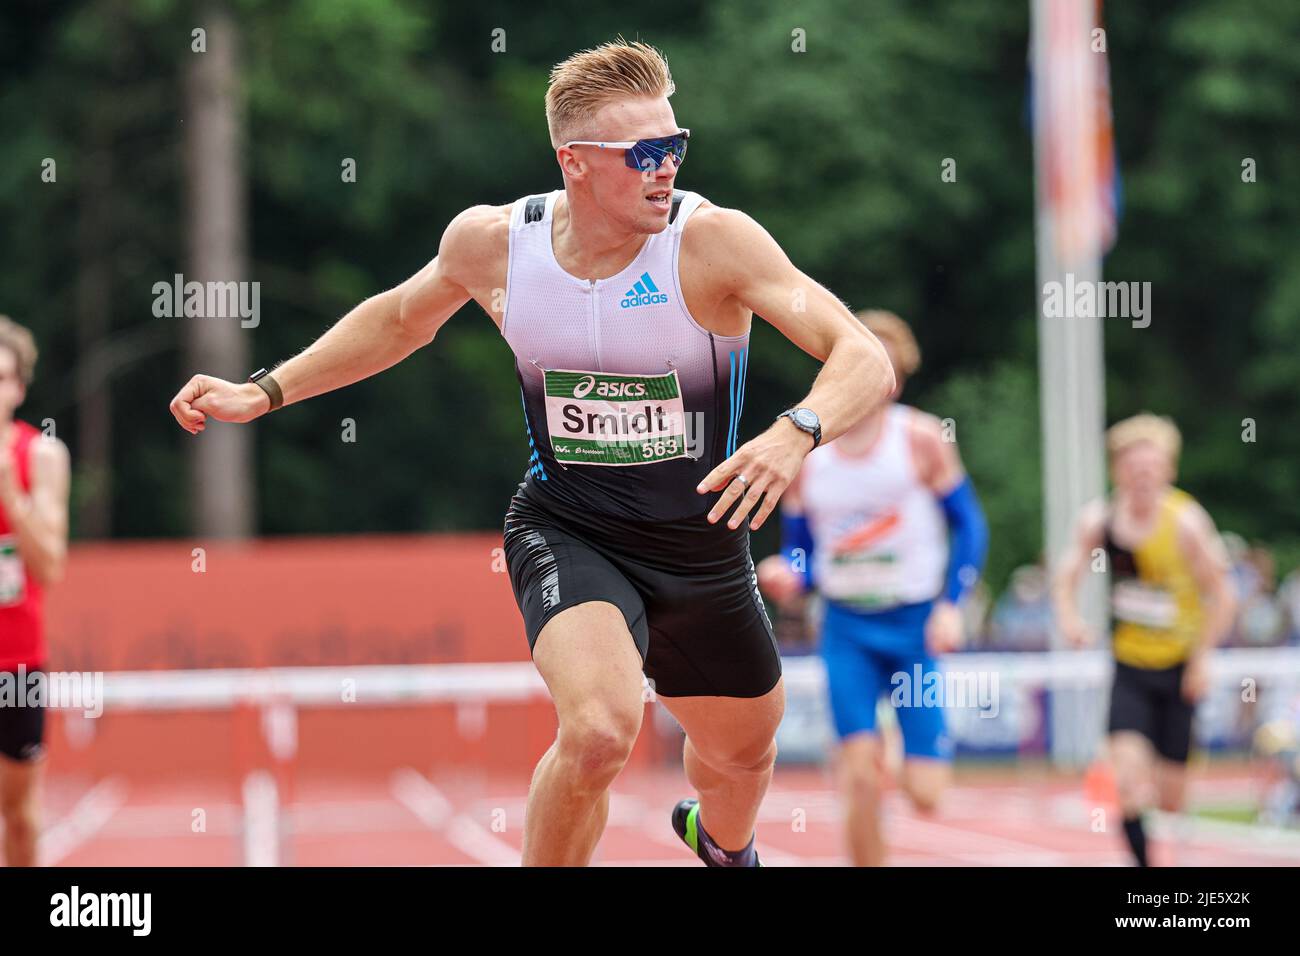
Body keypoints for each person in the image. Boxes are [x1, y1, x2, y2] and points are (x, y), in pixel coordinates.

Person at [169, 40, 894, 867]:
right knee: (596, 734)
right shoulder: (494, 244)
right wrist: (263, 391)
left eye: (675, 147)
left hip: (702, 544)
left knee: (741, 759)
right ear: (575, 163)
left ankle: (720, 841)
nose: (665, 169)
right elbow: (400, 319)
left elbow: (863, 355)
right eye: (642, 154)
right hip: (571, 528)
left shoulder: (712, 243)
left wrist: (794, 431)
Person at [757, 310, 987, 866]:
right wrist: (789, 573)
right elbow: (801, 550)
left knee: (926, 793)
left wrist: (952, 605)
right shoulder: (808, 454)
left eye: (884, 367)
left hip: (914, 627)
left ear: (898, 379)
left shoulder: (922, 439)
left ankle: (904, 754)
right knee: (858, 776)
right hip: (848, 629)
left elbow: (971, 526)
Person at [1053, 413, 1236, 866]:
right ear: (1118, 471)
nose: (1143, 478)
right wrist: (1070, 619)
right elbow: (1065, 576)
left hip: (1179, 667)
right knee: (1128, 781)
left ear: (1168, 471)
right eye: (1134, 469)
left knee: (1171, 798)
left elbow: (1225, 597)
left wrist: (1202, 659)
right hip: (1131, 667)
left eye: (1152, 469)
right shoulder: (1101, 520)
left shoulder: (1188, 523)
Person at [0, 315, 71, 867]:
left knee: (20, 817)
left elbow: (48, 565)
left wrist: (9, 493)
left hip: (15, 665)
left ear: (20, 387)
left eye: (2, 377)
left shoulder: (41, 456)